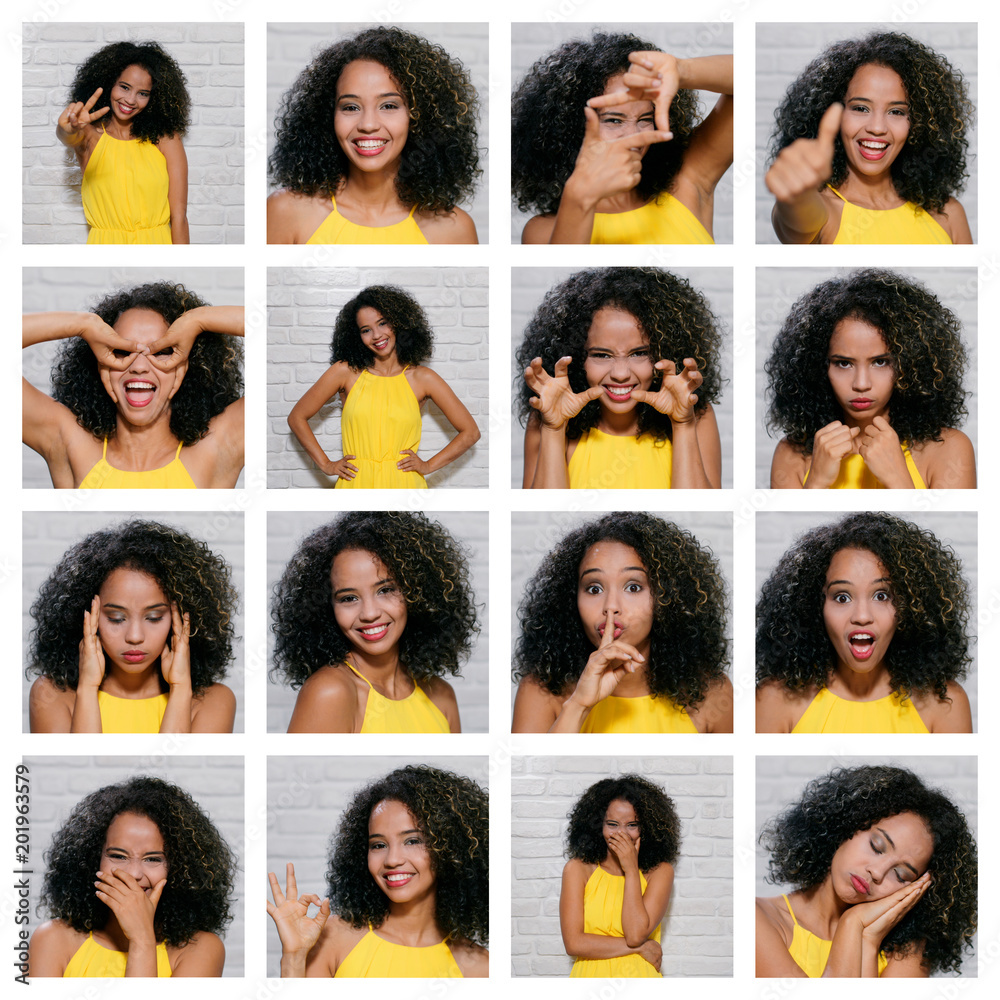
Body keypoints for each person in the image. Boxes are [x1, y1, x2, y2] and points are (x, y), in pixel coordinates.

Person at [512, 512, 731, 733]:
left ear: (668, 597)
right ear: (570, 599)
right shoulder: (541, 691)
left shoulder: (712, 693)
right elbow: (537, 767)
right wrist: (578, 705)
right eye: (594, 588)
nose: (611, 606)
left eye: (633, 587)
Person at [756, 512, 973, 733]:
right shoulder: (775, 702)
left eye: (881, 596)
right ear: (815, 606)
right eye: (842, 597)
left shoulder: (945, 705)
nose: (861, 616)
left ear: (910, 606)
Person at [267, 764, 488, 977]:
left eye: (412, 841)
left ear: (451, 848)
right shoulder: (334, 937)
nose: (392, 860)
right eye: (378, 845)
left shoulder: (479, 967)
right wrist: (294, 957)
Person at [756, 764, 977, 977]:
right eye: (876, 846)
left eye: (900, 875)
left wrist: (867, 937)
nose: (877, 872)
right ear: (847, 826)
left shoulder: (907, 951)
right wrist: (853, 926)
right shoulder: (759, 918)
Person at [512, 31, 732, 244]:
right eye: (614, 120)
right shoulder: (542, 231)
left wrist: (682, 69)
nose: (634, 135)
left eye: (645, 118)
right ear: (571, 129)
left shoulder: (687, 182)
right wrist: (579, 196)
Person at [267, 26, 480, 244]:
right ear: (326, 117)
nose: (368, 125)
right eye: (350, 107)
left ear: (418, 117)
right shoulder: (286, 212)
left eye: (388, 106)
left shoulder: (454, 231)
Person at [765, 269, 975, 488]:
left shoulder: (948, 449)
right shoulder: (791, 455)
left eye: (880, 362)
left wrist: (897, 478)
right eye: (843, 363)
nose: (861, 384)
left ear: (910, 364)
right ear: (817, 368)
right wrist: (816, 481)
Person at [516, 267, 724, 489]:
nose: (620, 374)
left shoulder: (697, 415)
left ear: (664, 354)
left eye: (639, 353)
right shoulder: (545, 418)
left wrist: (683, 425)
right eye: (602, 355)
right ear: (577, 359)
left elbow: (692, 510)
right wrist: (554, 429)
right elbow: (549, 513)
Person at [23, 281, 244, 489]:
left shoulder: (215, 449)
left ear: (182, 369)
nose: (139, 366)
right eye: (122, 351)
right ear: (102, 367)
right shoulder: (70, 444)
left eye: (161, 352)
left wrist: (197, 320)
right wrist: (84, 324)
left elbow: (269, 326)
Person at [271, 511, 478, 733]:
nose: (369, 614)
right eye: (349, 598)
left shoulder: (441, 696)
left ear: (417, 593)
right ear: (327, 608)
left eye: (385, 590)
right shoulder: (330, 692)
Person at [28, 519, 237, 734]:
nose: (135, 636)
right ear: (88, 616)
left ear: (182, 618)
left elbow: (172, 764)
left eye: (154, 617)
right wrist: (87, 689)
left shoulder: (214, 701)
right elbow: (84, 766)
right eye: (116, 618)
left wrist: (181, 688)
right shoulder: (52, 696)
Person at [765, 32, 973, 244]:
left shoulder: (948, 214)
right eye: (861, 108)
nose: (877, 128)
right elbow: (797, 218)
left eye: (897, 112)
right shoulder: (824, 212)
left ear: (920, 125)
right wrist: (799, 193)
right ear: (831, 113)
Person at [29, 775, 237, 977]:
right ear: (93, 859)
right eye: (118, 856)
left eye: (153, 859)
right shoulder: (51, 939)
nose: (133, 874)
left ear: (179, 868)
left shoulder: (201, 949)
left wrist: (142, 940)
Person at [287, 284, 480, 488]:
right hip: (356, 483)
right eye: (366, 330)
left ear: (398, 323)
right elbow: (296, 417)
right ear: (357, 336)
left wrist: (428, 466)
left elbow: (471, 432)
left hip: (404, 484)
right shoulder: (344, 372)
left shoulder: (423, 378)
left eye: (383, 323)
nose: (377, 335)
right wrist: (326, 465)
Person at [57, 41, 190, 244]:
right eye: (124, 87)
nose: (130, 100)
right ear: (110, 83)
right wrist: (67, 129)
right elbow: (68, 137)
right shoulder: (90, 136)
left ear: (154, 98)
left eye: (143, 93)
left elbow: (179, 218)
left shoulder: (166, 138)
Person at [561, 775, 677, 977]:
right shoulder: (577, 869)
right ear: (598, 826)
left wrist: (631, 870)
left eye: (632, 825)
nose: (621, 834)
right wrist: (641, 948)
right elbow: (574, 943)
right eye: (612, 824)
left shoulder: (660, 872)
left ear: (646, 828)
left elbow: (635, 935)